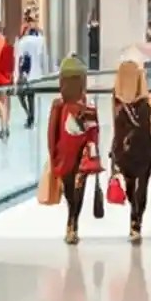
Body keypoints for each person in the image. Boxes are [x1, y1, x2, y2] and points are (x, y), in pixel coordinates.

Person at [111, 60, 151, 244]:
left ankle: (134, 214)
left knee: (130, 185)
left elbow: (115, 127)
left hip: (123, 150)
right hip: (145, 148)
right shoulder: (148, 101)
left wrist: (113, 150)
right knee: (142, 185)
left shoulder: (115, 100)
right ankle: (136, 222)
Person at [47, 57, 99, 245]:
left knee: (70, 192)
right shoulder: (88, 104)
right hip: (82, 155)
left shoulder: (58, 105)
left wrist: (53, 158)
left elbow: (52, 135)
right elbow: (94, 132)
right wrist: (93, 152)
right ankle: (73, 222)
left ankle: (72, 223)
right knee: (77, 191)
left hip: (63, 157)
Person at [15, 19, 48, 128]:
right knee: (31, 97)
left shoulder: (22, 42)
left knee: (22, 95)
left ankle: (29, 115)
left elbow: (19, 59)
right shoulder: (38, 40)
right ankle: (31, 117)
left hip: (24, 74)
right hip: (34, 74)